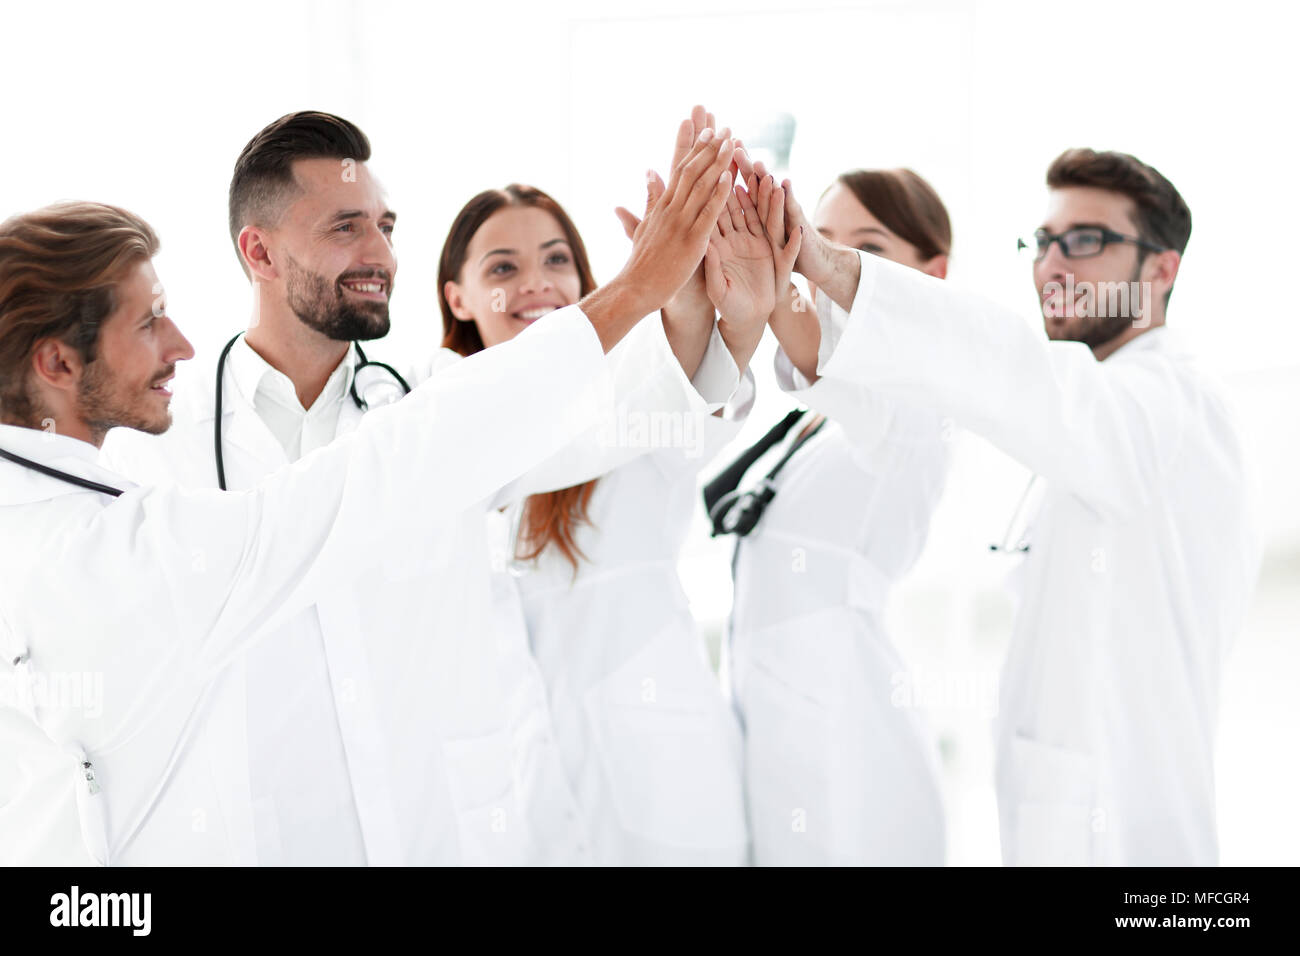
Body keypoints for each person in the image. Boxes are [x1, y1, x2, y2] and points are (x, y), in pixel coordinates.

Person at [0, 120, 736, 865]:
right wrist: (635, 288)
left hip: (438, 832)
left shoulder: (431, 396)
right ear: (259, 251)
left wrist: (694, 296)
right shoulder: (148, 457)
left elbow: (609, 409)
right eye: (347, 227)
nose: (382, 255)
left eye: (386, 226)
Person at [739, 146, 1259, 866]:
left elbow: (1007, 372)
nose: (1052, 263)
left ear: (1161, 270)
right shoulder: (1105, 409)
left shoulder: (1170, 406)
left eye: (1086, 240)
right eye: (1044, 242)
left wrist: (831, 267)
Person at [437, 143, 790, 862]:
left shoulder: (623, 391)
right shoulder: (429, 424)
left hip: (661, 793)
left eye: (557, 259)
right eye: (503, 267)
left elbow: (690, 381)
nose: (536, 283)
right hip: (516, 805)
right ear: (458, 299)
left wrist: (711, 310)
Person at [707, 167, 953, 865]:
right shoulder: (820, 420)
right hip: (778, 738)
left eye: (861, 249)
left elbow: (817, 351)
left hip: (851, 750)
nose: (822, 263)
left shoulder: (918, 398)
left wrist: (771, 260)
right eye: (813, 240)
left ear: (932, 273)